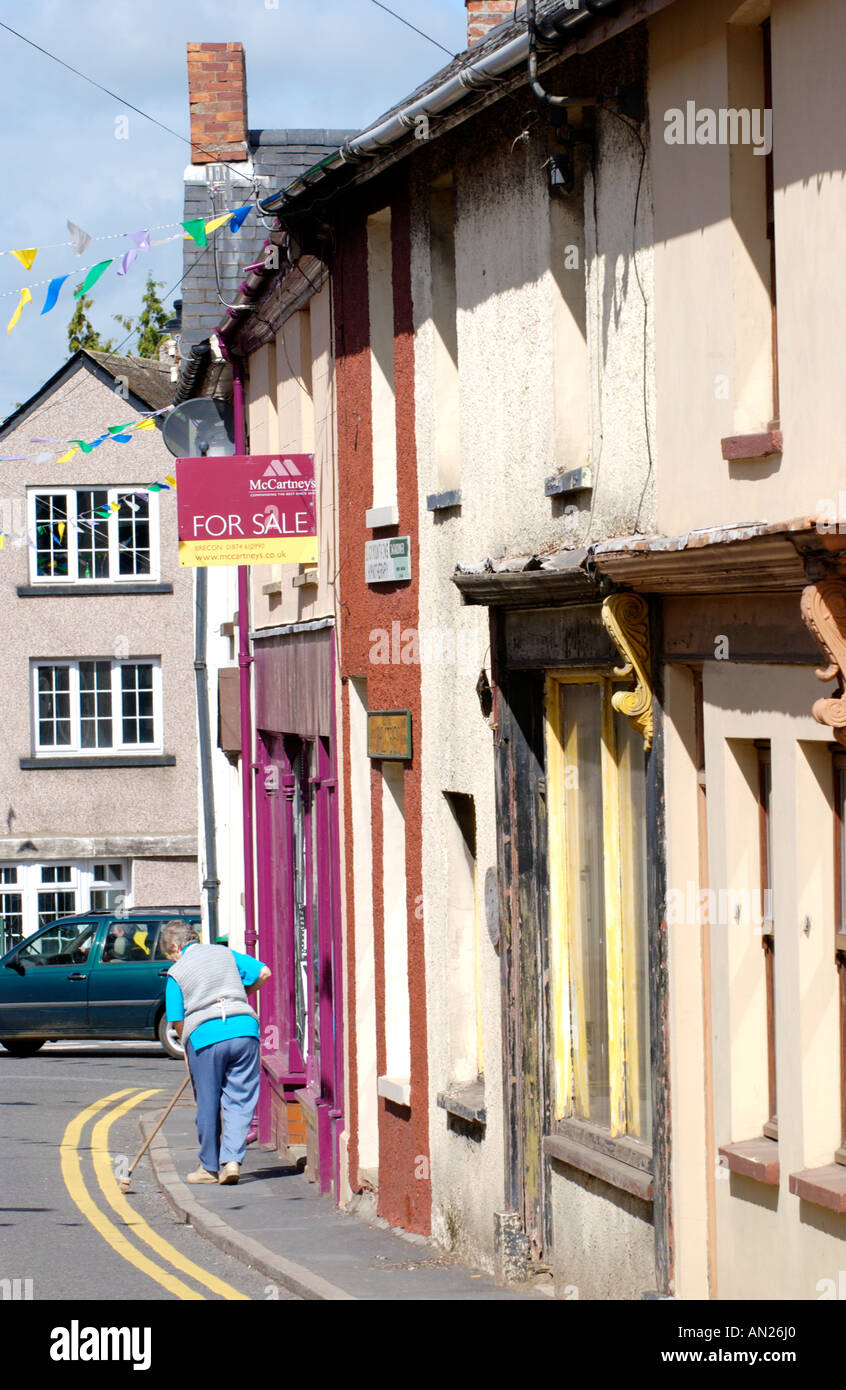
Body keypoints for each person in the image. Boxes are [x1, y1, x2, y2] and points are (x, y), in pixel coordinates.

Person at [160, 920, 270, 1185]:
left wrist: (190, 1052)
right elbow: (264, 972)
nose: (172, 958)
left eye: (170, 953)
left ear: (175, 946)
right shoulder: (225, 953)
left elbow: (177, 1020)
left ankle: (209, 1167)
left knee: (208, 1102)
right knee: (240, 1098)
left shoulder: (176, 972)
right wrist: (240, 996)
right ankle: (231, 1160)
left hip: (205, 1037)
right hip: (244, 1029)